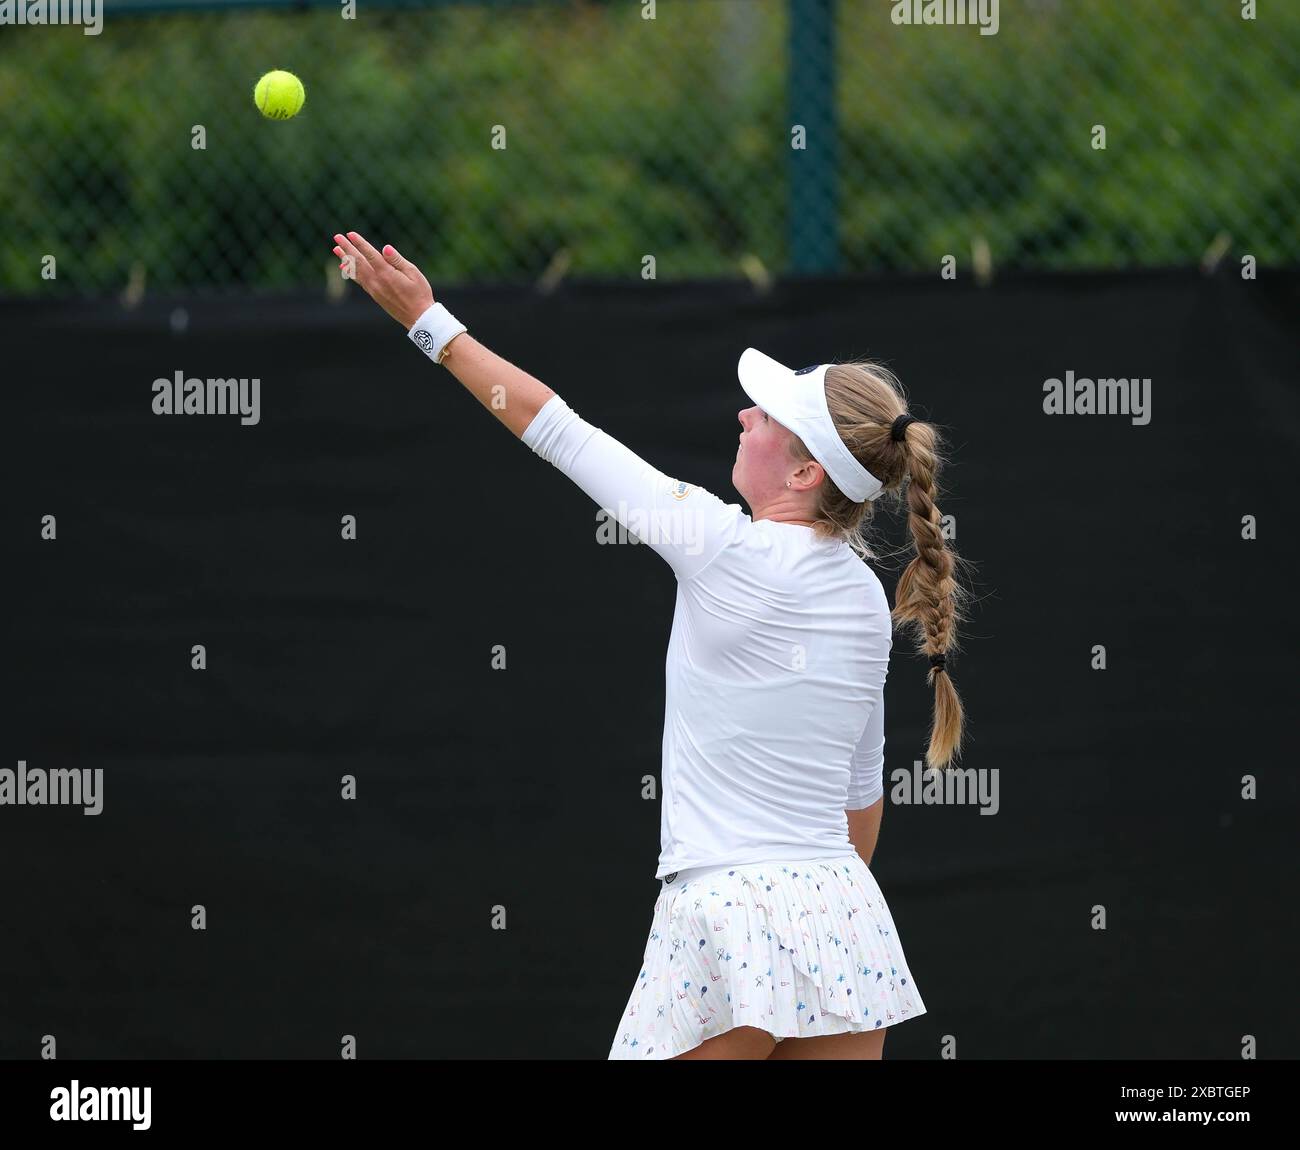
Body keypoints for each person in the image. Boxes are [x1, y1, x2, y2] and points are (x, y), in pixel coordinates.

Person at [330, 231, 968, 1061]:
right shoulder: (863, 596)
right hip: (846, 919)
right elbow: (861, 798)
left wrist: (428, 322)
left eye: (766, 416)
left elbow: (556, 429)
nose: (744, 415)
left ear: (805, 473)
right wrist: (812, 914)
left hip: (725, 915)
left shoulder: (719, 544)